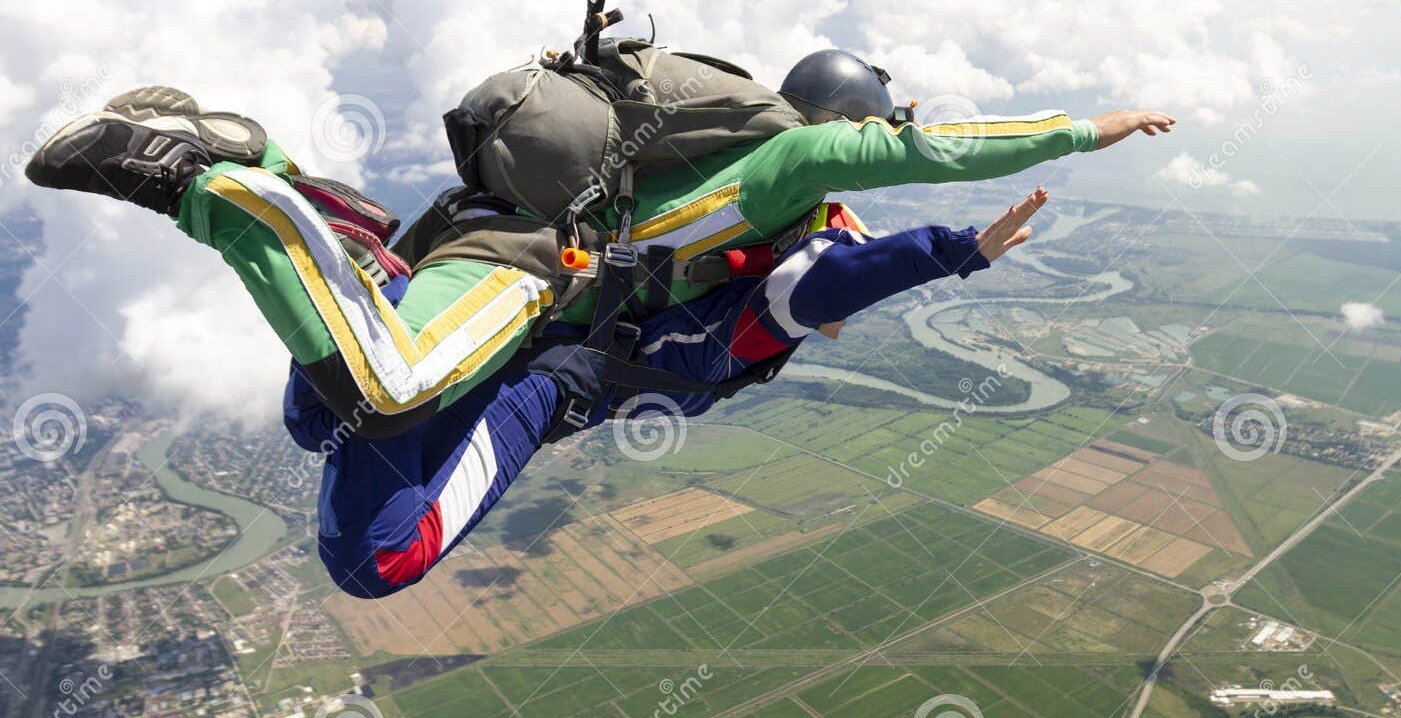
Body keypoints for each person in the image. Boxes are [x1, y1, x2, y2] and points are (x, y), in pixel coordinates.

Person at [26, 70, 1175, 438]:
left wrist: (936, 254)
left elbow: (830, 261)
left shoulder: (754, 193)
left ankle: (260, 154)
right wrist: (1089, 128)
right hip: (523, 264)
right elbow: (930, 148)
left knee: (312, 417)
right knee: (385, 387)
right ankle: (202, 184)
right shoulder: (790, 163)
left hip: (485, 236)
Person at [302, 186, 1049, 598]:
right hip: (543, 389)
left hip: (516, 351)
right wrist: (955, 253)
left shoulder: (718, 264)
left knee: (317, 420)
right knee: (381, 556)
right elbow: (813, 285)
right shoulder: (762, 308)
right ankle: (361, 289)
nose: (837, 320)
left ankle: (367, 277)